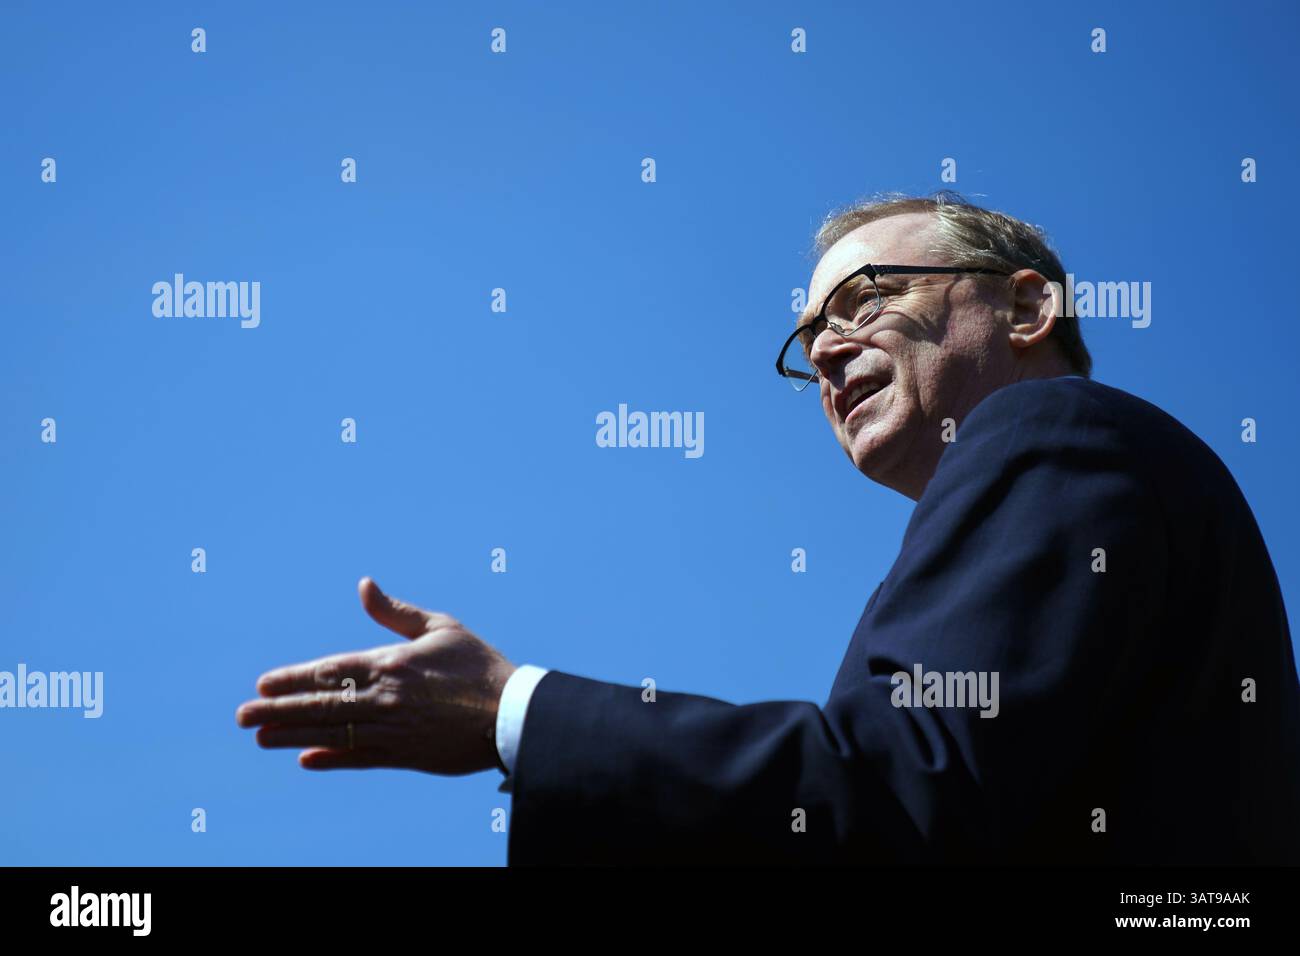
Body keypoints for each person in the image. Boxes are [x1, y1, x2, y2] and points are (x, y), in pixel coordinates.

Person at [236, 192, 1300, 864]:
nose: (827, 352)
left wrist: (512, 710)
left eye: (866, 299)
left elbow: (898, 794)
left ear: (1025, 310)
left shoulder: (1044, 425)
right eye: (809, 336)